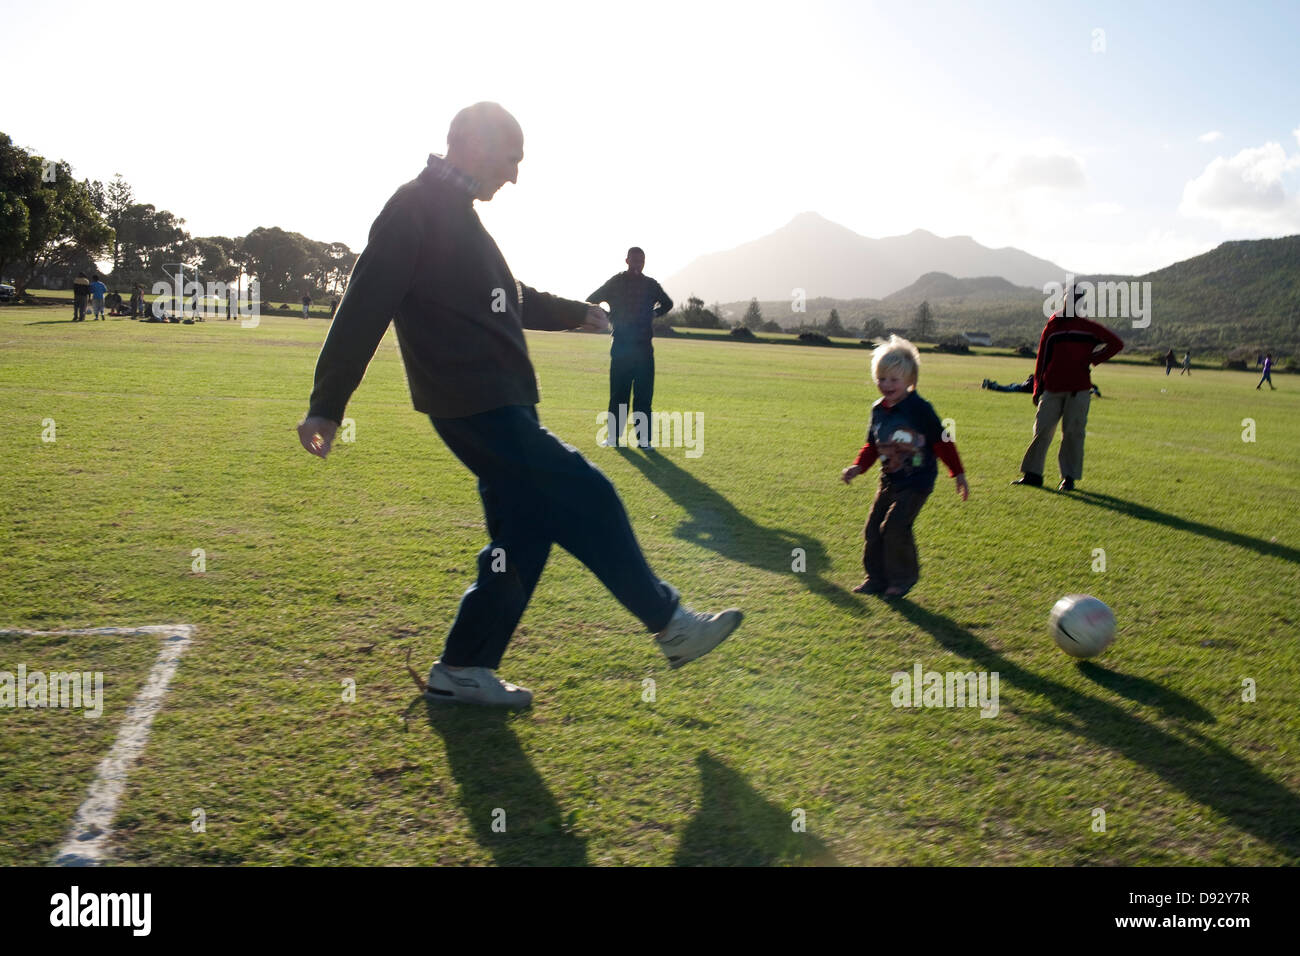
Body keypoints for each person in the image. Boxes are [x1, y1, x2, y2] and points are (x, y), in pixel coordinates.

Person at [296, 102, 741, 708]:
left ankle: (463, 667)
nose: (514, 176)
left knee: (522, 536)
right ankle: (671, 623)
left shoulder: (458, 216)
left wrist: (575, 311)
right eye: (511, 159)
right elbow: (365, 301)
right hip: (473, 403)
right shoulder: (414, 208)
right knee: (587, 490)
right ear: (475, 147)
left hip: (498, 401)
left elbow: (508, 296)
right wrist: (327, 403)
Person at [841, 336, 968, 598]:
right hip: (889, 481)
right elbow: (872, 446)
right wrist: (857, 467)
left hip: (916, 482)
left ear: (910, 380)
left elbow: (942, 442)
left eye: (894, 380)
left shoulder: (919, 409)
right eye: (882, 378)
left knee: (895, 528)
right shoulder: (878, 410)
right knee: (873, 528)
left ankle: (902, 579)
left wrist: (958, 473)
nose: (886, 385)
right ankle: (876, 578)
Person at [1013, 286, 1123, 491]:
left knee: (1073, 433)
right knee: (1042, 430)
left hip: (1078, 390)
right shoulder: (1053, 326)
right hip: (1052, 388)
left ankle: (1069, 478)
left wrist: (1094, 359)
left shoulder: (1088, 328)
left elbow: (1116, 343)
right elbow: (1042, 359)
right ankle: (1032, 474)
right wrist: (1037, 388)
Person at [587, 248, 673, 448]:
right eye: (634, 261)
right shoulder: (615, 283)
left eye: (641, 261)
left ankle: (644, 440)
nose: (638, 265)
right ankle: (613, 438)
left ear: (645, 262)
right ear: (627, 260)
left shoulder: (651, 285)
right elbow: (592, 298)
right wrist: (608, 316)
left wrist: (654, 313)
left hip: (644, 348)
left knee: (644, 395)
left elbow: (667, 303)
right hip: (621, 346)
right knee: (619, 394)